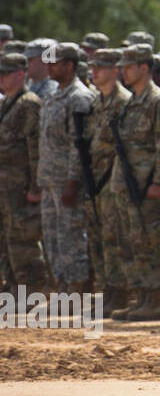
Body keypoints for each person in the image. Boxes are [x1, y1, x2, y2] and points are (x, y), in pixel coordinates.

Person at [110, 44, 160, 320]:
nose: (123, 72)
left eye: (128, 67)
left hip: (145, 185)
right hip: (126, 182)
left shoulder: (158, 101)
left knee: (148, 240)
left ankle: (154, 299)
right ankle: (140, 296)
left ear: (143, 68)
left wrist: (158, 181)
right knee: (129, 242)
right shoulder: (130, 101)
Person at [37, 43, 95, 292]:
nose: (49, 67)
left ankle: (76, 285)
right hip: (49, 178)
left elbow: (78, 144)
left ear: (70, 65)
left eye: (54, 63)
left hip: (67, 180)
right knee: (52, 236)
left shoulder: (79, 98)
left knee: (71, 235)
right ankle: (62, 282)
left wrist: (72, 181)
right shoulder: (53, 95)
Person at [85, 49, 131, 315]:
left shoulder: (122, 102)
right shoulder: (97, 101)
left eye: (100, 68)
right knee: (98, 238)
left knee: (115, 238)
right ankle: (106, 291)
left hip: (112, 180)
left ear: (115, 70)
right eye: (93, 67)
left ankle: (119, 292)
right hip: (95, 179)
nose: (94, 72)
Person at [0, 51, 46, 293]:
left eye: (5, 74)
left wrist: (36, 186)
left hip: (20, 184)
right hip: (5, 185)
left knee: (23, 238)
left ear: (20, 74)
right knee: (6, 237)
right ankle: (12, 285)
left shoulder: (28, 103)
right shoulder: (7, 102)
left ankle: (31, 289)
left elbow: (35, 146)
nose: (1, 78)